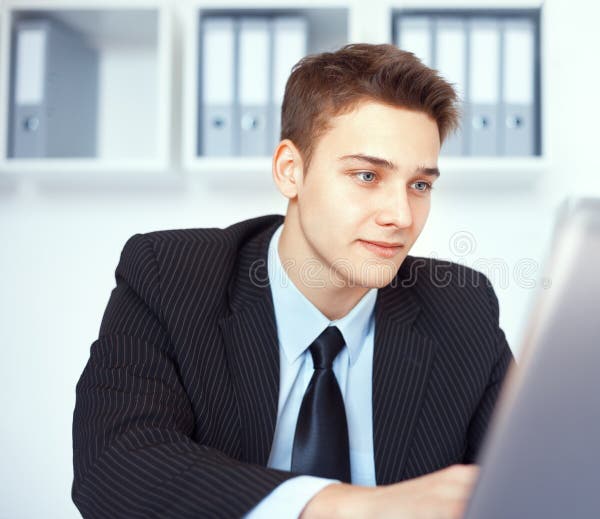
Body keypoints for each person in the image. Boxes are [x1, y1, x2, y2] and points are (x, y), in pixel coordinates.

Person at [72, 43, 514, 519]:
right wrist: (348, 508)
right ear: (290, 171)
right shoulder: (171, 275)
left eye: (420, 185)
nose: (401, 216)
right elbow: (113, 469)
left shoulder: (462, 307)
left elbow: (531, 482)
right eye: (367, 176)